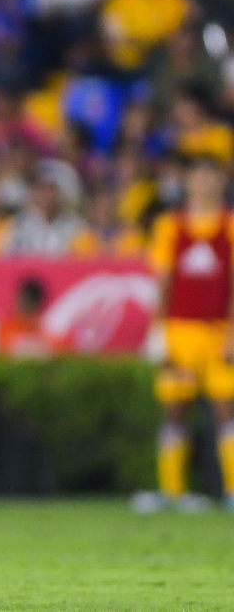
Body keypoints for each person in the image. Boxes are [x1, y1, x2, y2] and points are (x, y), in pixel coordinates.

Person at [140, 155, 234, 512]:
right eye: (198, 176)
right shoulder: (169, 226)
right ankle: (173, 491)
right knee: (175, 408)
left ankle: (231, 491)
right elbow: (163, 283)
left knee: (226, 408)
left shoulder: (229, 225)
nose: (204, 184)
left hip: (218, 331)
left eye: (211, 177)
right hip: (179, 330)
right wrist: (158, 332)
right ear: (188, 182)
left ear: (220, 183)